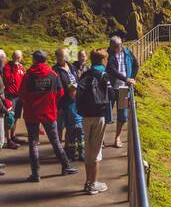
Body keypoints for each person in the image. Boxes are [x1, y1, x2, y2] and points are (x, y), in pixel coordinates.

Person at [17, 50, 77, 182]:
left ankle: (35, 174)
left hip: (31, 113)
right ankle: (65, 166)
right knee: (55, 140)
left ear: (34, 60)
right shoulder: (53, 75)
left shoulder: (28, 76)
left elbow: (21, 94)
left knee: (33, 143)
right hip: (49, 112)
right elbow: (60, 93)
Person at [75, 49, 113, 195]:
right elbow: (111, 95)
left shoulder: (85, 74)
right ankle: (94, 184)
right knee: (96, 151)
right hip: (99, 116)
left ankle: (87, 181)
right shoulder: (104, 75)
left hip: (85, 116)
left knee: (88, 149)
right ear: (103, 60)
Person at [105, 35, 138, 149]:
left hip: (124, 89)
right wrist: (126, 79)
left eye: (116, 46)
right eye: (113, 47)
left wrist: (132, 78)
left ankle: (117, 137)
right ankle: (101, 138)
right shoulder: (108, 55)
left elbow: (135, 65)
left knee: (122, 115)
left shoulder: (127, 53)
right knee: (106, 113)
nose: (115, 49)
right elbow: (111, 70)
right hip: (111, 88)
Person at [53, 48, 84, 162]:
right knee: (65, 127)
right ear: (57, 57)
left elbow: (77, 79)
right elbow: (57, 88)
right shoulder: (55, 70)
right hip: (64, 101)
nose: (63, 58)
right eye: (60, 56)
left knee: (76, 127)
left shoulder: (71, 66)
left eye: (64, 56)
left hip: (75, 99)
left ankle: (76, 150)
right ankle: (64, 151)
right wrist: (59, 106)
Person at [2, 50, 26, 149]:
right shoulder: (7, 67)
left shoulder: (22, 67)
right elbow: (7, 79)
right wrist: (14, 68)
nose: (17, 59)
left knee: (16, 117)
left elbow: (24, 79)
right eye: (15, 57)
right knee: (9, 117)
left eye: (19, 57)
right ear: (12, 57)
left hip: (19, 96)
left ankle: (13, 136)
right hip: (10, 96)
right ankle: (8, 140)